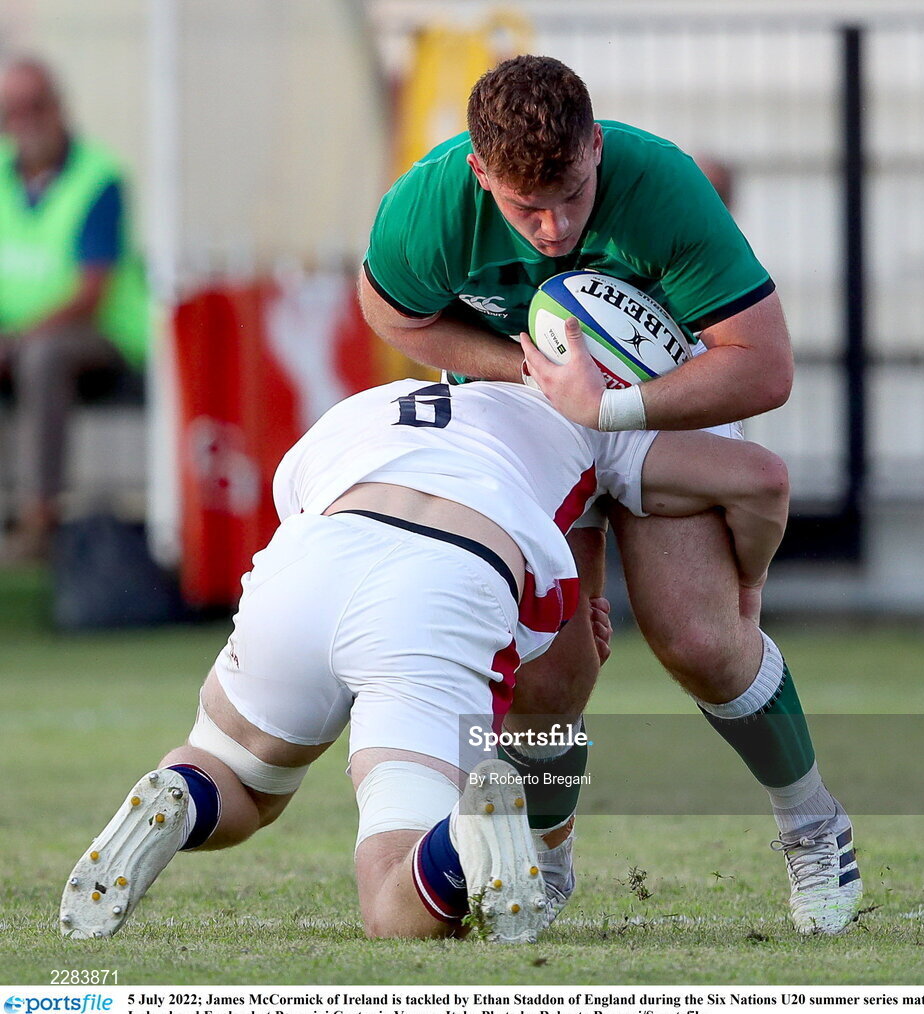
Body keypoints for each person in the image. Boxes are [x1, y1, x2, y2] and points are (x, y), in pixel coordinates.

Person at [358, 54, 862, 935]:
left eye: (572, 196)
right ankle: (547, 865)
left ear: (595, 146)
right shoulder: (431, 204)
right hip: (526, 414)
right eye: (526, 208)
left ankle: (815, 827)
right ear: (480, 173)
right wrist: (524, 369)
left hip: (656, 406)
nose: (552, 228)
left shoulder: (661, 184)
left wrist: (611, 403)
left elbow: (766, 367)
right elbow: (390, 312)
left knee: (701, 640)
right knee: (548, 672)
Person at [60, 375, 789, 943]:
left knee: (237, 773)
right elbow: (759, 480)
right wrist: (746, 587)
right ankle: (456, 843)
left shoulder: (370, 402)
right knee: (391, 894)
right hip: (446, 580)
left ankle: (182, 795)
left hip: (316, 551)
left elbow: (300, 504)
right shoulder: (594, 414)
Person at [0, 56, 148, 562]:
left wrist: (16, 339)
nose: (24, 121)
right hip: (21, 333)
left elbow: (92, 290)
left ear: (59, 108)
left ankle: (39, 517)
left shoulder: (97, 177)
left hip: (101, 335)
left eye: (35, 106)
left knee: (41, 356)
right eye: (11, 111)